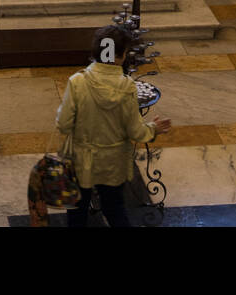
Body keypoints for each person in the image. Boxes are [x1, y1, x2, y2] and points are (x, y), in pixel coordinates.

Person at [55, 25, 171, 226]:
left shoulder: (77, 82)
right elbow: (136, 131)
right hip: (113, 163)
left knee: (76, 211)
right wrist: (153, 128)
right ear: (119, 56)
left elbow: (63, 124)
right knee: (114, 209)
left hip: (81, 160)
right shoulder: (127, 87)